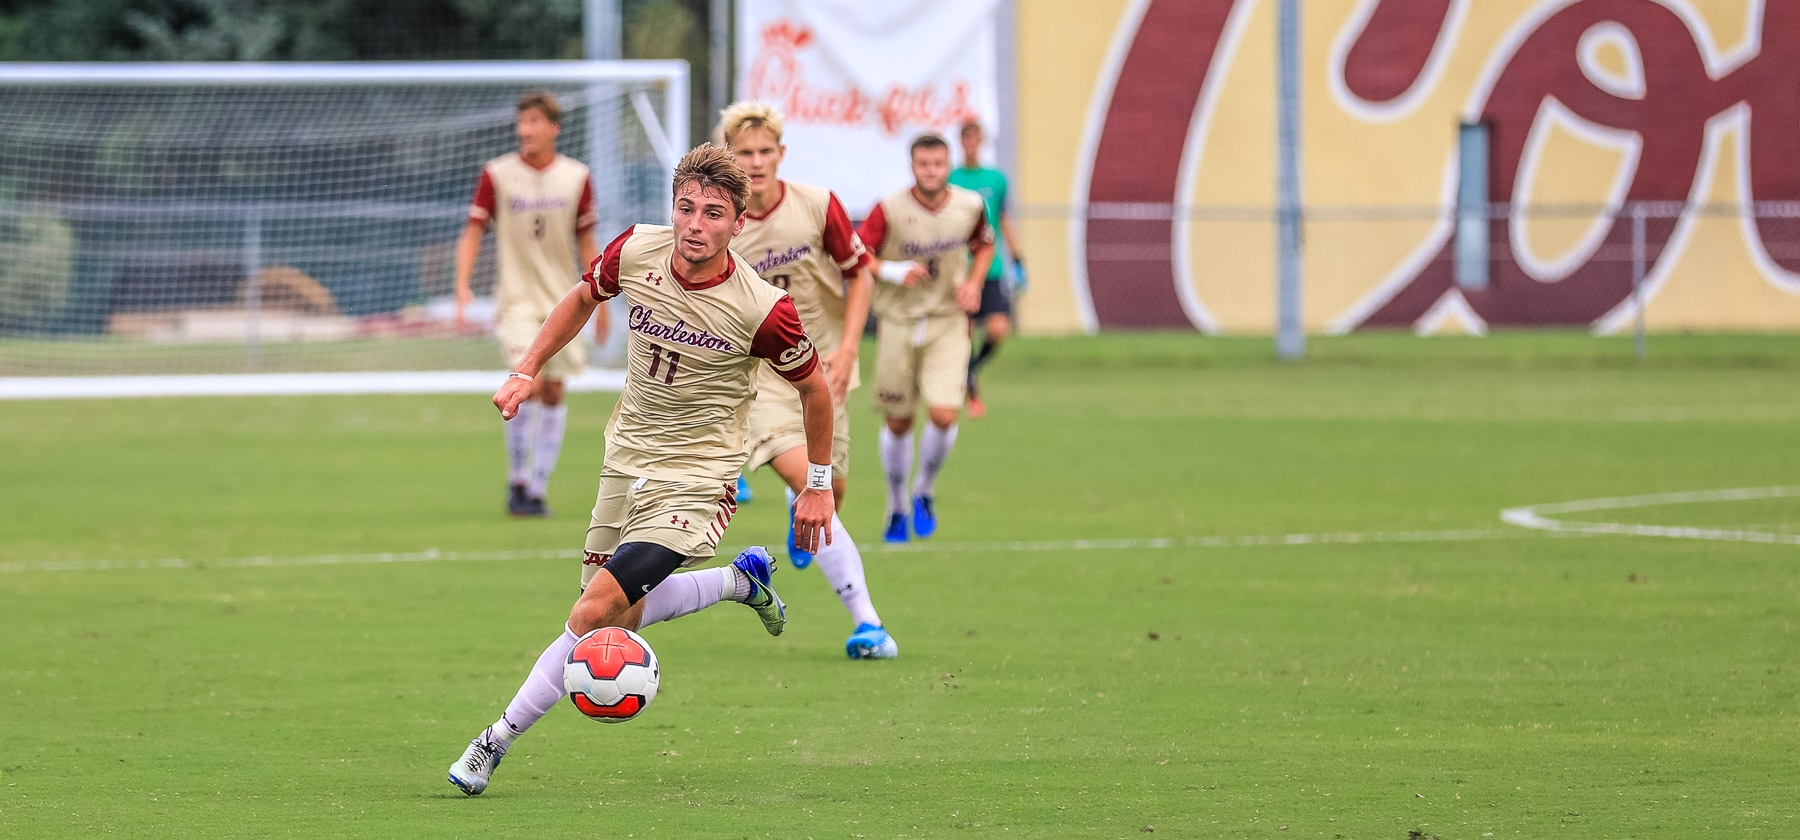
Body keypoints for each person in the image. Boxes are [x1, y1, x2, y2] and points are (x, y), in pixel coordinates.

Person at [448, 144, 838, 796]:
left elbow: (815, 390)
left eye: (713, 213)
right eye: (686, 207)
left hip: (697, 476)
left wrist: (818, 487)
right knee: (617, 619)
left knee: (591, 612)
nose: (695, 224)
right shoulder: (635, 249)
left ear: (737, 224)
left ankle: (492, 741)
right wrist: (526, 369)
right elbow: (582, 297)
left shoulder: (763, 308)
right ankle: (739, 583)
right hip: (625, 459)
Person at [721, 101, 896, 659]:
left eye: (764, 151)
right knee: (811, 485)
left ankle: (799, 513)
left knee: (832, 494)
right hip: (760, 378)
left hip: (822, 371)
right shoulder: (721, 220)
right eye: (743, 153)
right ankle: (869, 623)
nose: (755, 162)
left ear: (781, 153)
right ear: (728, 157)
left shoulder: (818, 205)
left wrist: (848, 349)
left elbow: (860, 275)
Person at [454, 91, 608, 518]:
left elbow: (587, 240)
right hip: (517, 301)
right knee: (531, 384)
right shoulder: (497, 174)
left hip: (565, 299)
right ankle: (518, 480)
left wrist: (603, 301)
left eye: (535, 121)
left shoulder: (576, 177)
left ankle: (538, 489)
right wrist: (462, 286)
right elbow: (472, 231)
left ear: (553, 127)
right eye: (522, 122)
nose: (526, 130)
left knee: (555, 391)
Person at [857, 134, 995, 544]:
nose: (931, 171)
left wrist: (974, 283)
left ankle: (925, 490)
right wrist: (890, 270)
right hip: (898, 321)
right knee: (899, 421)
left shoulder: (970, 205)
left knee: (944, 413)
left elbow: (984, 246)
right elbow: (857, 252)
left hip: (947, 320)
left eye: (938, 163)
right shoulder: (890, 208)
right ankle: (897, 503)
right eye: (923, 164)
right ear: (912, 166)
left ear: (949, 165)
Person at [946, 121, 1026, 419]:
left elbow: (1003, 219)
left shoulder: (996, 179)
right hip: (959, 269)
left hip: (990, 268)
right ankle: (973, 395)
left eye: (975, 139)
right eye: (966, 139)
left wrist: (1018, 258)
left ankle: (971, 371)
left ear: (980, 142)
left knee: (998, 328)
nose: (971, 144)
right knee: (964, 332)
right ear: (961, 142)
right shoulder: (950, 178)